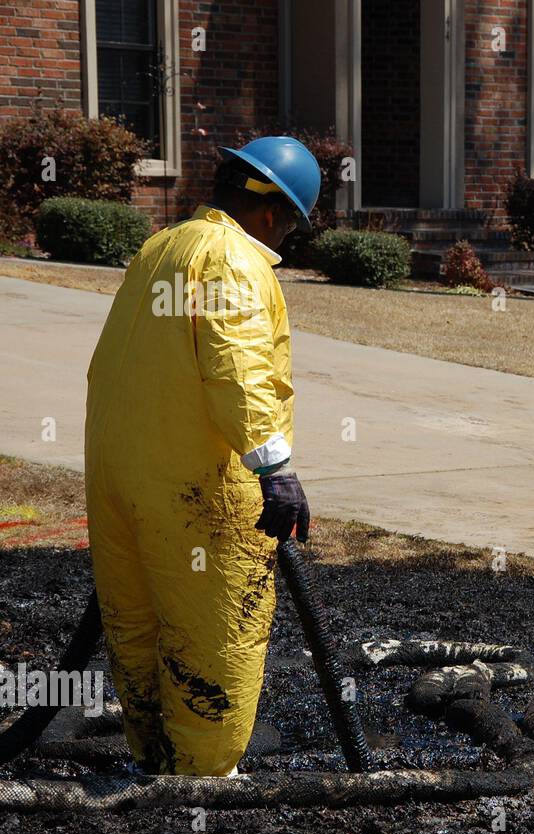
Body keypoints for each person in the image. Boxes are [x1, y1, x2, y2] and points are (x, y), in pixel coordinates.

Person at [85, 137, 321, 776]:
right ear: (273, 214)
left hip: (118, 476)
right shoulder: (234, 260)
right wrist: (274, 468)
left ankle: (151, 766)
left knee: (137, 630)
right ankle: (202, 783)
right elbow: (237, 368)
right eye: (291, 224)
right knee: (216, 634)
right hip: (193, 485)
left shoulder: (160, 246)